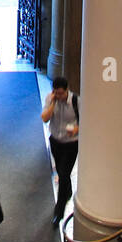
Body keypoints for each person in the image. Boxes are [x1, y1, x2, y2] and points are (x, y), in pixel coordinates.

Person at [41, 76, 79, 228]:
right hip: (56, 142)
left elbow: (87, 120)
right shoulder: (51, 99)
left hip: (71, 144)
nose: (59, 96)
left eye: (61, 94)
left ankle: (59, 211)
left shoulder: (76, 101)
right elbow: (44, 118)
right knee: (63, 174)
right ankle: (68, 190)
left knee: (63, 175)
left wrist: (77, 129)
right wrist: (53, 102)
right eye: (56, 93)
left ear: (67, 90)